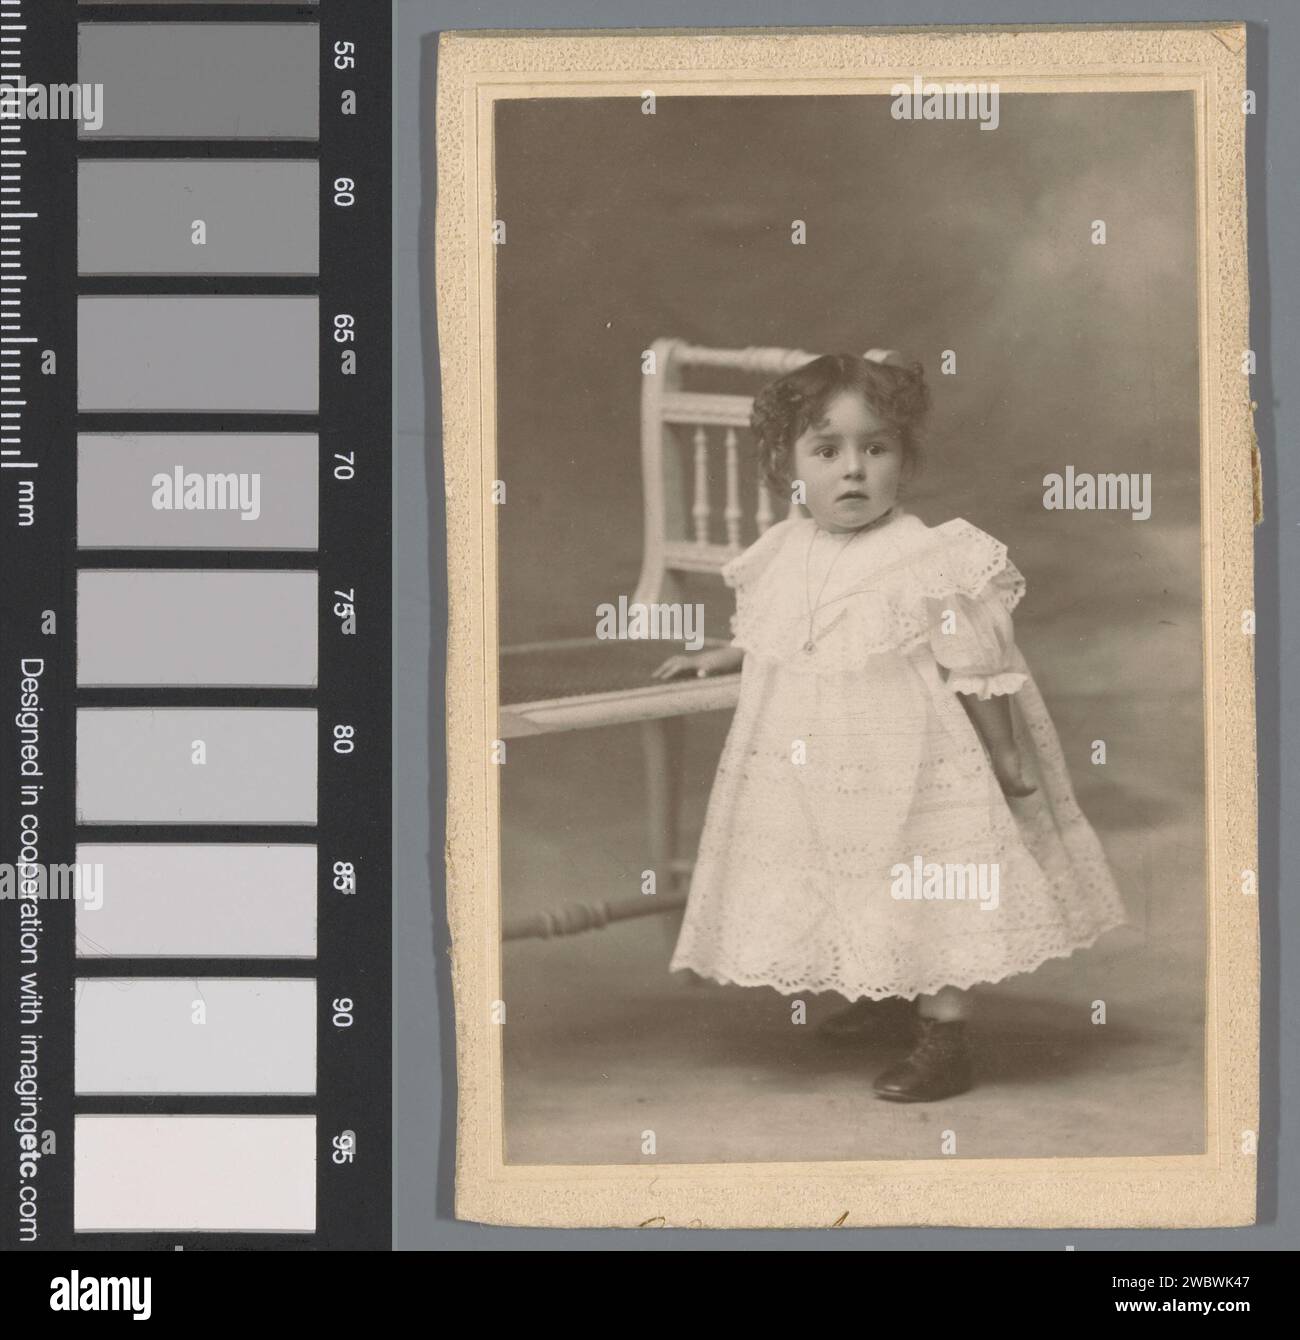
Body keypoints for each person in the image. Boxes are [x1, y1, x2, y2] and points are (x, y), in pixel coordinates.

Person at [652, 349, 1128, 1102]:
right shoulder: (788, 547)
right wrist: (731, 653)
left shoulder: (925, 557)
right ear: (787, 467)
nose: (852, 471)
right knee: (852, 873)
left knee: (925, 877)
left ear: (904, 461)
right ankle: (880, 990)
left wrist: (1006, 757)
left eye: (875, 449)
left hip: (913, 754)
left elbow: (977, 664)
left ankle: (945, 1036)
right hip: (819, 761)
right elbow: (791, 625)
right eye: (827, 450)